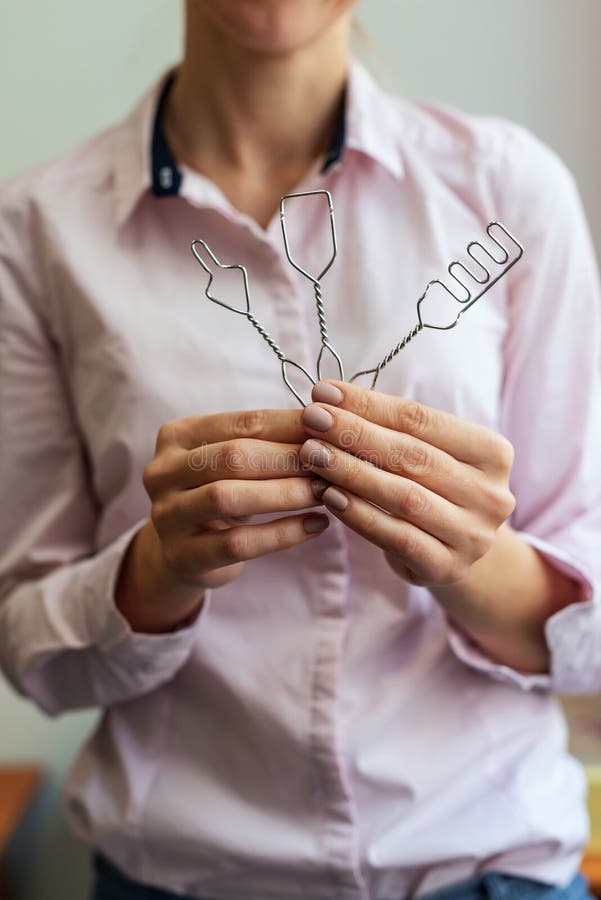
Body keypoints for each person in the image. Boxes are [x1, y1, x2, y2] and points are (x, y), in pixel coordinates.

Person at [1, 2, 600, 898]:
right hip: (175, 878)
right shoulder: (38, 230)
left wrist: (471, 558)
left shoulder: (507, 188)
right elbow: (30, 646)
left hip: (488, 868)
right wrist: (157, 568)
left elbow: (591, 638)